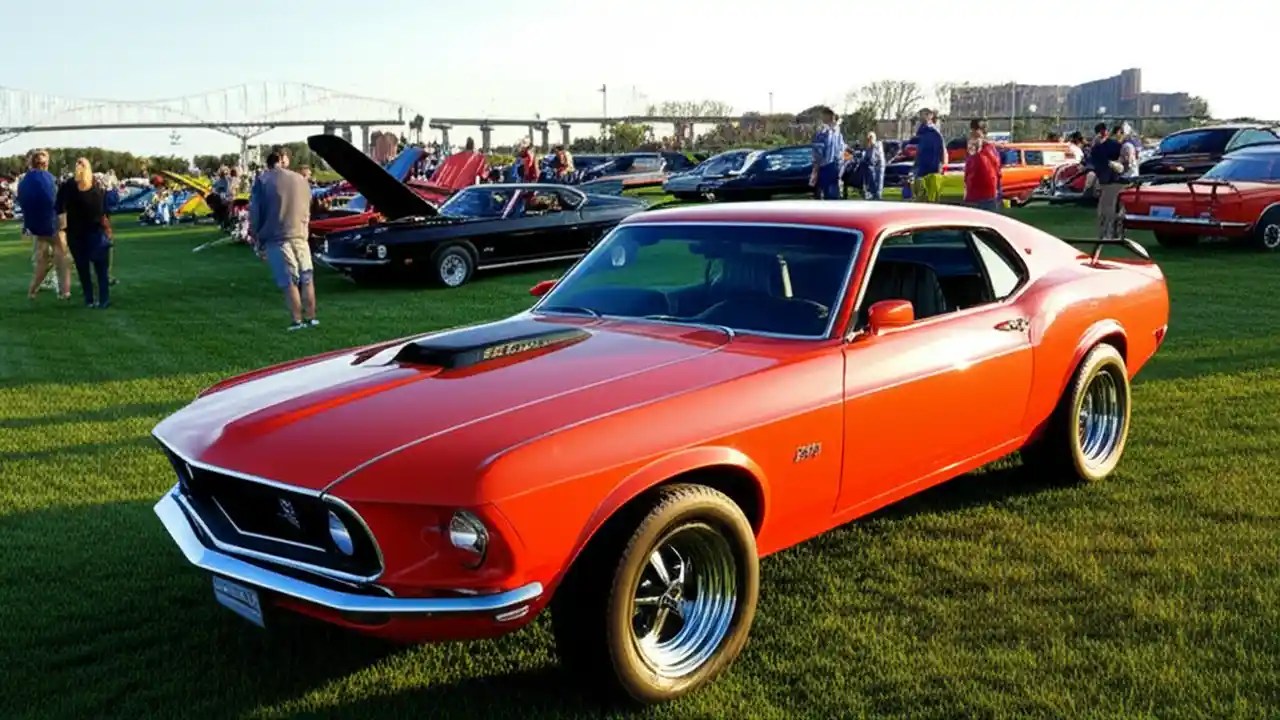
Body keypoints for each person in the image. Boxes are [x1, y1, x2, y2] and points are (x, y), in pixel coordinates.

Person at [249, 145, 317, 331]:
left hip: (276, 235)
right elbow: (308, 207)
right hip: (300, 234)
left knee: (289, 281)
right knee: (307, 276)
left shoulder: (263, 180)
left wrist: (256, 236)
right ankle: (311, 317)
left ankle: (297, 320)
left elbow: (255, 211)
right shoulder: (301, 180)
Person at [57, 157, 113, 308]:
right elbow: (104, 213)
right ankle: (101, 299)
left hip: (82, 232)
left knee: (87, 268)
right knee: (96, 268)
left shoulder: (72, 186)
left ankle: (92, 298)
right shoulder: (93, 187)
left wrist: (62, 229)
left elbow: (60, 209)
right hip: (87, 232)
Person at [19, 150, 71, 301]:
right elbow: (57, 202)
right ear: (46, 164)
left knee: (42, 258)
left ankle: (32, 291)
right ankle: (65, 291)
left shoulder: (24, 181)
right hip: (50, 223)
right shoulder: (50, 179)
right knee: (61, 254)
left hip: (34, 225)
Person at [1090, 123, 1127, 239]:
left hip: (1105, 181)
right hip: (1117, 179)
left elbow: (1094, 163)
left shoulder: (1097, 148)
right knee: (1115, 209)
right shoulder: (1116, 145)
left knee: (1106, 210)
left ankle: (1106, 234)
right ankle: (1115, 234)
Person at [807, 107, 844, 200]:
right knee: (834, 194)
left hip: (826, 166)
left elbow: (818, 150)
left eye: (823, 116)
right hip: (835, 166)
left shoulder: (824, 132)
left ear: (828, 117)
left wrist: (815, 165)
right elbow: (841, 150)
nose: (822, 118)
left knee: (825, 194)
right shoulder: (838, 133)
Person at [964, 125, 1002, 212]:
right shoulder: (974, 151)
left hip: (987, 193)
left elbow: (997, 169)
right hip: (975, 194)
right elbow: (969, 171)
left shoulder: (989, 150)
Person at [911, 109, 946, 202]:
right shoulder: (922, 133)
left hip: (931, 170)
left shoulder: (934, 133)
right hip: (923, 170)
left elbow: (942, 151)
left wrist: (941, 165)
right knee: (923, 198)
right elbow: (918, 152)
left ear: (930, 116)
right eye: (921, 115)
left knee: (930, 199)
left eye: (925, 115)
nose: (922, 117)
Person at [862, 132, 886, 200]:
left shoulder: (878, 144)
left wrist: (869, 161)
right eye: (868, 139)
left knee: (879, 179)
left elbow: (874, 156)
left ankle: (878, 195)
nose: (869, 140)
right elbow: (866, 156)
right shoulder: (869, 147)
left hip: (880, 164)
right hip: (873, 165)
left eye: (870, 138)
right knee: (872, 178)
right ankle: (874, 193)